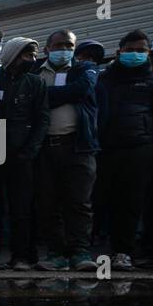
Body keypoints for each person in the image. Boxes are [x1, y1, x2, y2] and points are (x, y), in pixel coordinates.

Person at [34, 29, 101, 271]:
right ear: (47, 49)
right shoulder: (34, 72)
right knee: (48, 203)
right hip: (45, 148)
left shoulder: (85, 69)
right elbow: (30, 98)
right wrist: (52, 95)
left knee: (79, 202)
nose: (65, 49)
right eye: (59, 45)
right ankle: (56, 254)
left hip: (78, 146)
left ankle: (80, 252)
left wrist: (44, 96)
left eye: (69, 45)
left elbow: (82, 89)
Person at [0, 37, 50, 270]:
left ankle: (22, 256)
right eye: (26, 55)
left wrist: (30, 150)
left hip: (23, 154)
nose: (31, 60)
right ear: (13, 56)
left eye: (34, 55)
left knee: (22, 208)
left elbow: (42, 119)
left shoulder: (36, 83)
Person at [99, 30, 153, 271]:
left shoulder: (152, 80)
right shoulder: (105, 78)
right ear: (119, 52)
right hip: (108, 147)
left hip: (141, 147)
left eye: (141, 50)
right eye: (130, 50)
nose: (135, 54)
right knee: (110, 200)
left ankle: (127, 252)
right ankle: (113, 249)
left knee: (134, 200)